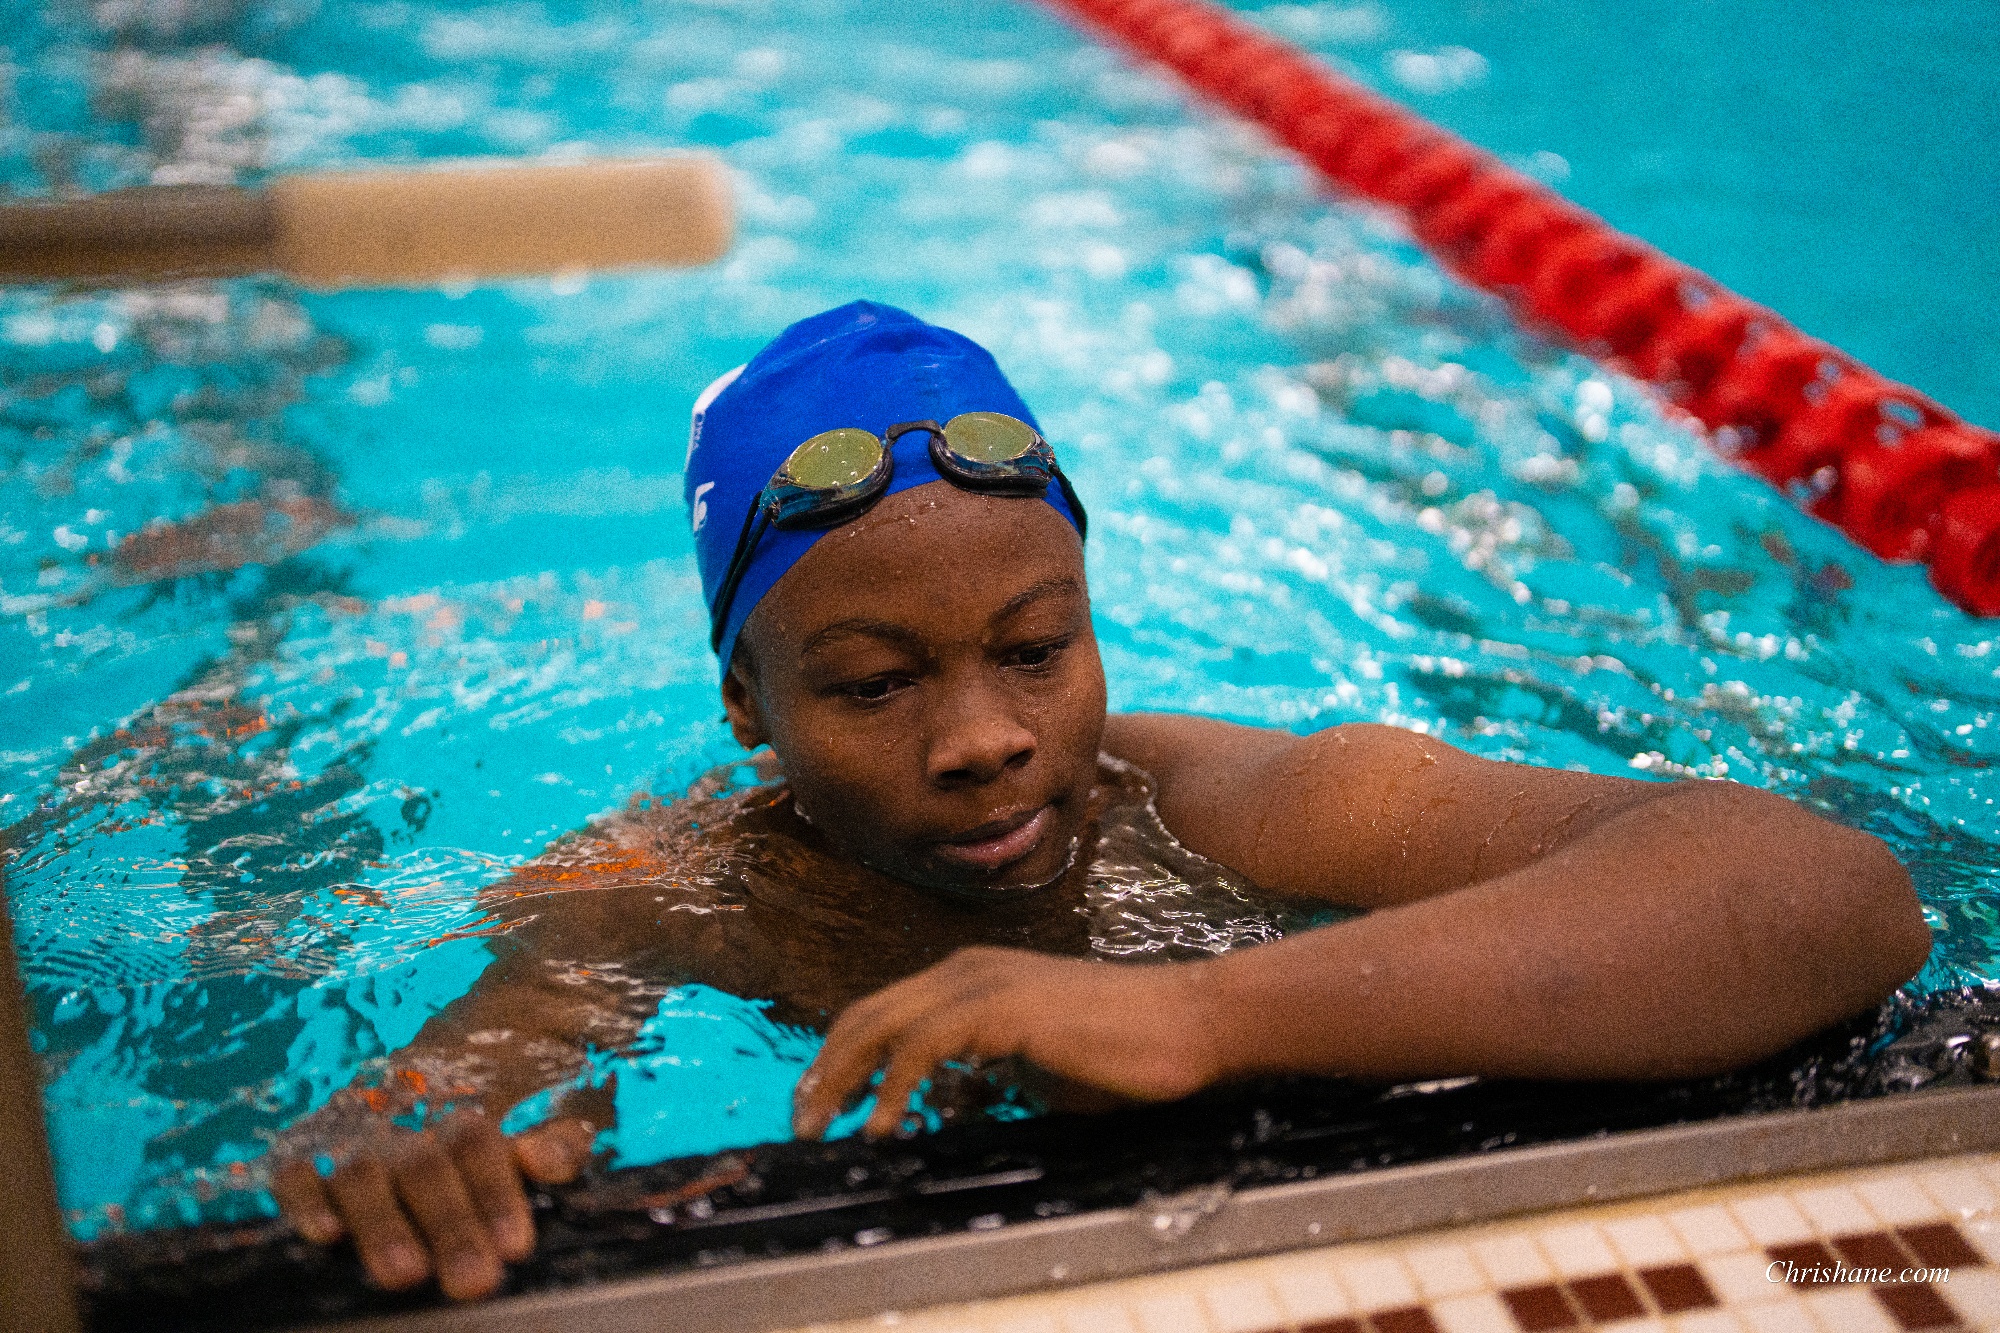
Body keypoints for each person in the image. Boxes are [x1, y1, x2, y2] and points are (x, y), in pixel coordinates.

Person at [272, 301, 1930, 1301]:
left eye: (1035, 649)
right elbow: (414, 1108)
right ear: (745, 707)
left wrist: (1207, 1015)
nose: (985, 737)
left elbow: (1836, 894)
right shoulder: (664, 889)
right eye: (872, 683)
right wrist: (411, 1155)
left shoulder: (1233, 807)